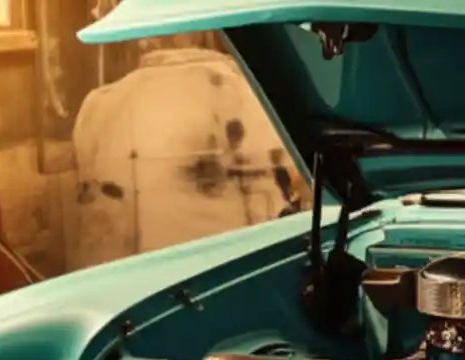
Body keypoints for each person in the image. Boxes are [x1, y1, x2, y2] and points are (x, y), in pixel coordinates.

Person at [71, 31, 306, 269]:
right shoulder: (259, 97)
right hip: (238, 275)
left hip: (140, 283)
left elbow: (96, 237)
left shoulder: (98, 107)